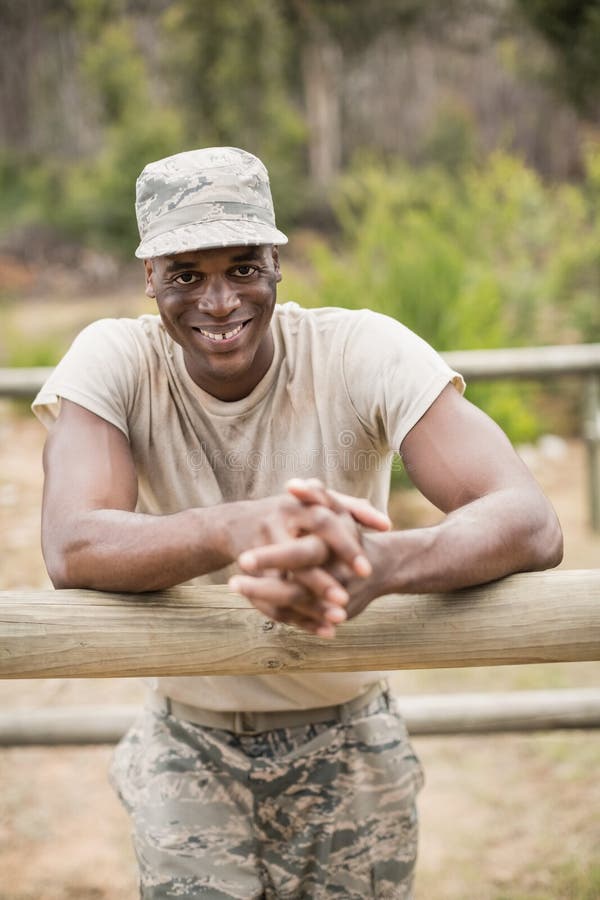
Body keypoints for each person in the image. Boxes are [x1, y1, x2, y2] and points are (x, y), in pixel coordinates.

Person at [33, 147, 563, 899]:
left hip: (350, 737)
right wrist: (233, 528)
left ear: (277, 262)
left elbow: (530, 519)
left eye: (243, 268)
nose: (218, 302)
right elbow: (73, 544)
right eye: (186, 274)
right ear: (149, 276)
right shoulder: (114, 358)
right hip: (190, 741)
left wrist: (383, 565)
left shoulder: (358, 350)